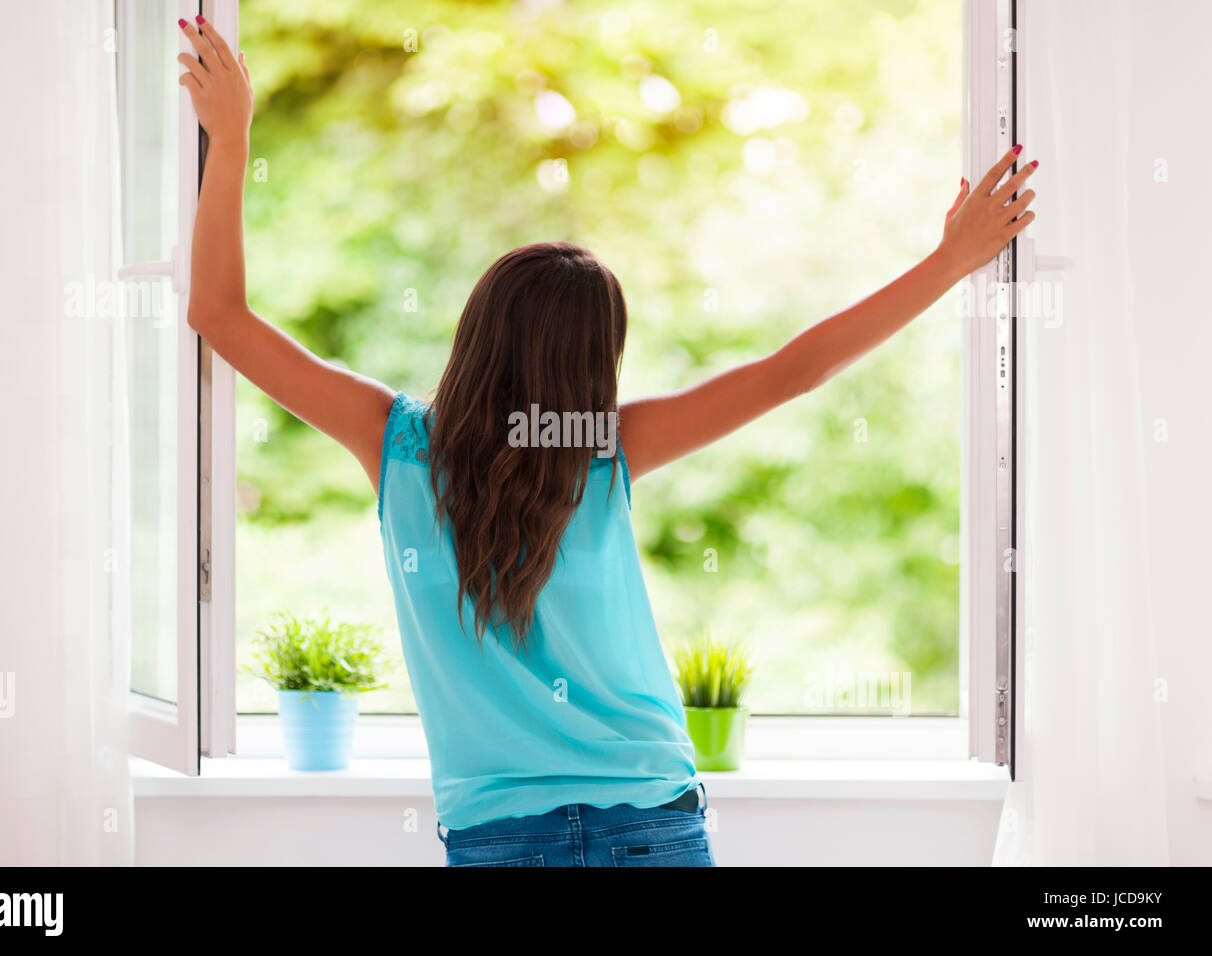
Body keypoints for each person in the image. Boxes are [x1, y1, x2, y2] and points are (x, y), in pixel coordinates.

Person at [175, 17, 1037, 867]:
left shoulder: (396, 446)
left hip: (500, 837)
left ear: (478, 332)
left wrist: (233, 136)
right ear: (595, 364)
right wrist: (948, 262)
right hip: (651, 822)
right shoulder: (605, 448)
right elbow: (791, 370)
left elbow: (218, 316)